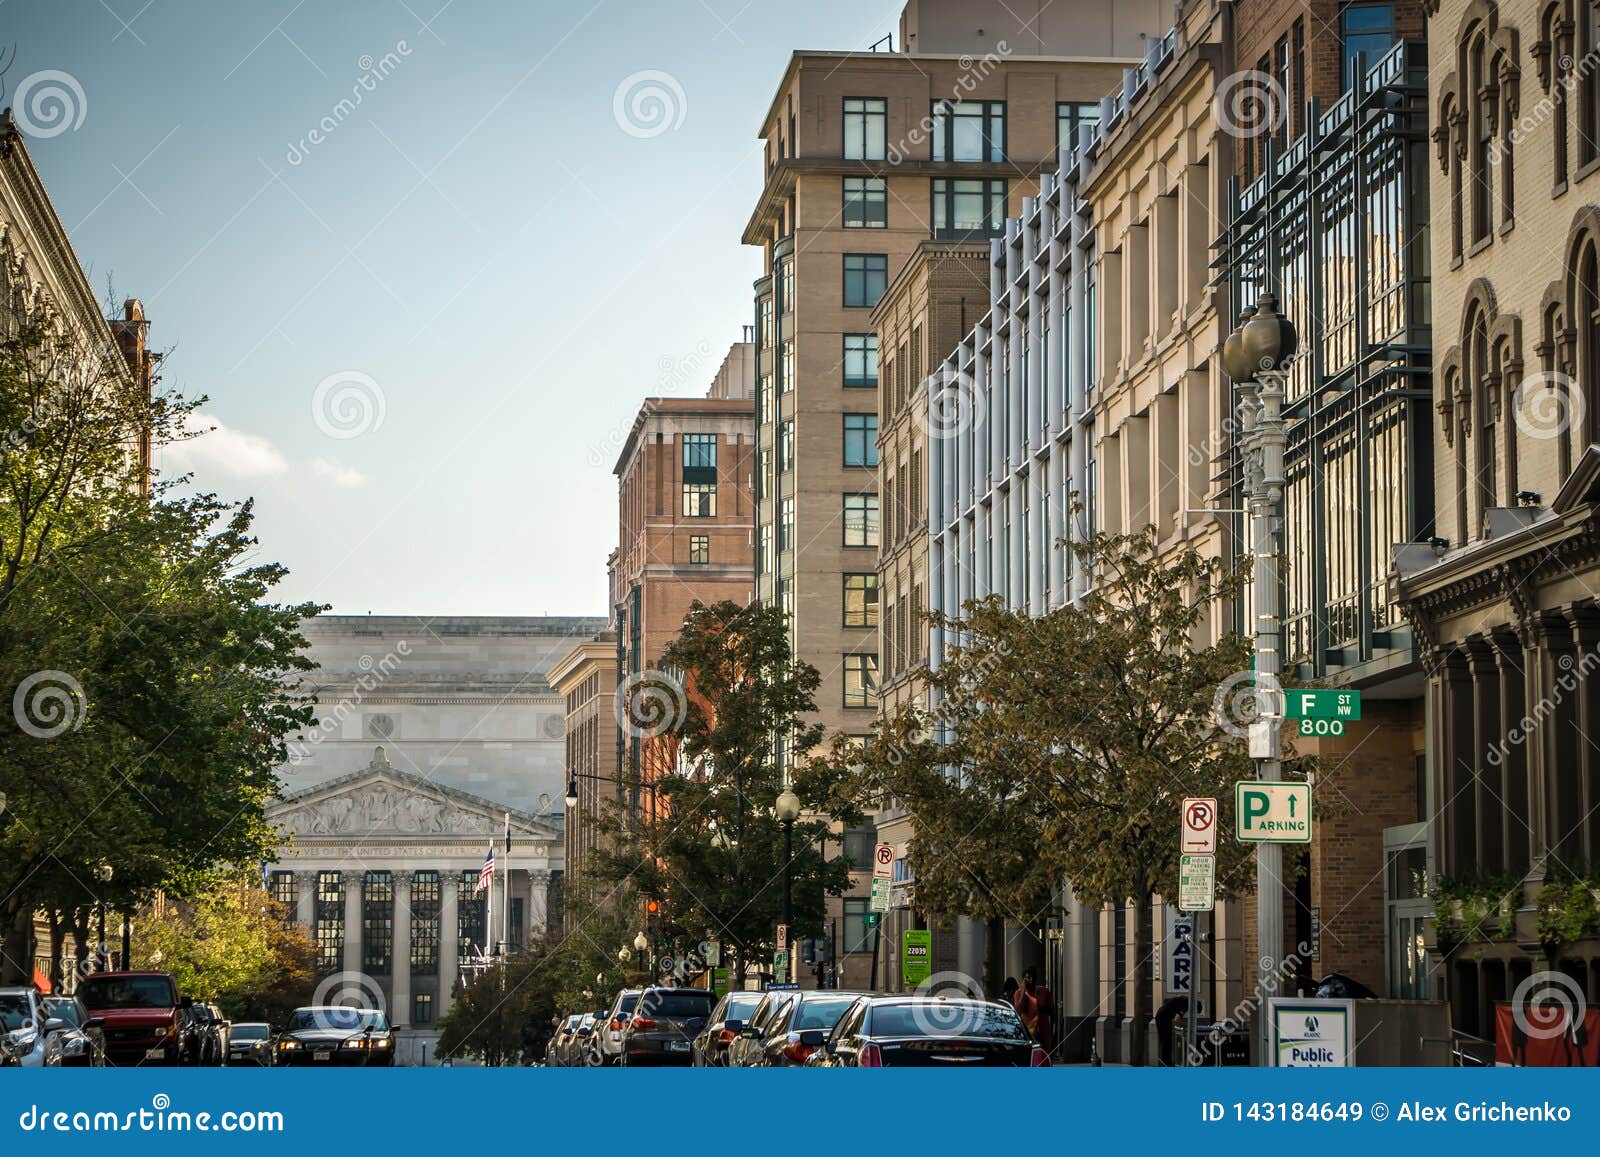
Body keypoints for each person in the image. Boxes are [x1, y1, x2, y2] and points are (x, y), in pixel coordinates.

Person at [1017, 968, 1055, 1053]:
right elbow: (1019, 1010)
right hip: (1027, 1032)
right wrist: (1023, 992)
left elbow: (1052, 1011)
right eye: (1026, 978)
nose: (1029, 980)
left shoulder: (1044, 991)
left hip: (1042, 1031)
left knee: (1044, 1055)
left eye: (1031, 977)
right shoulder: (1018, 993)